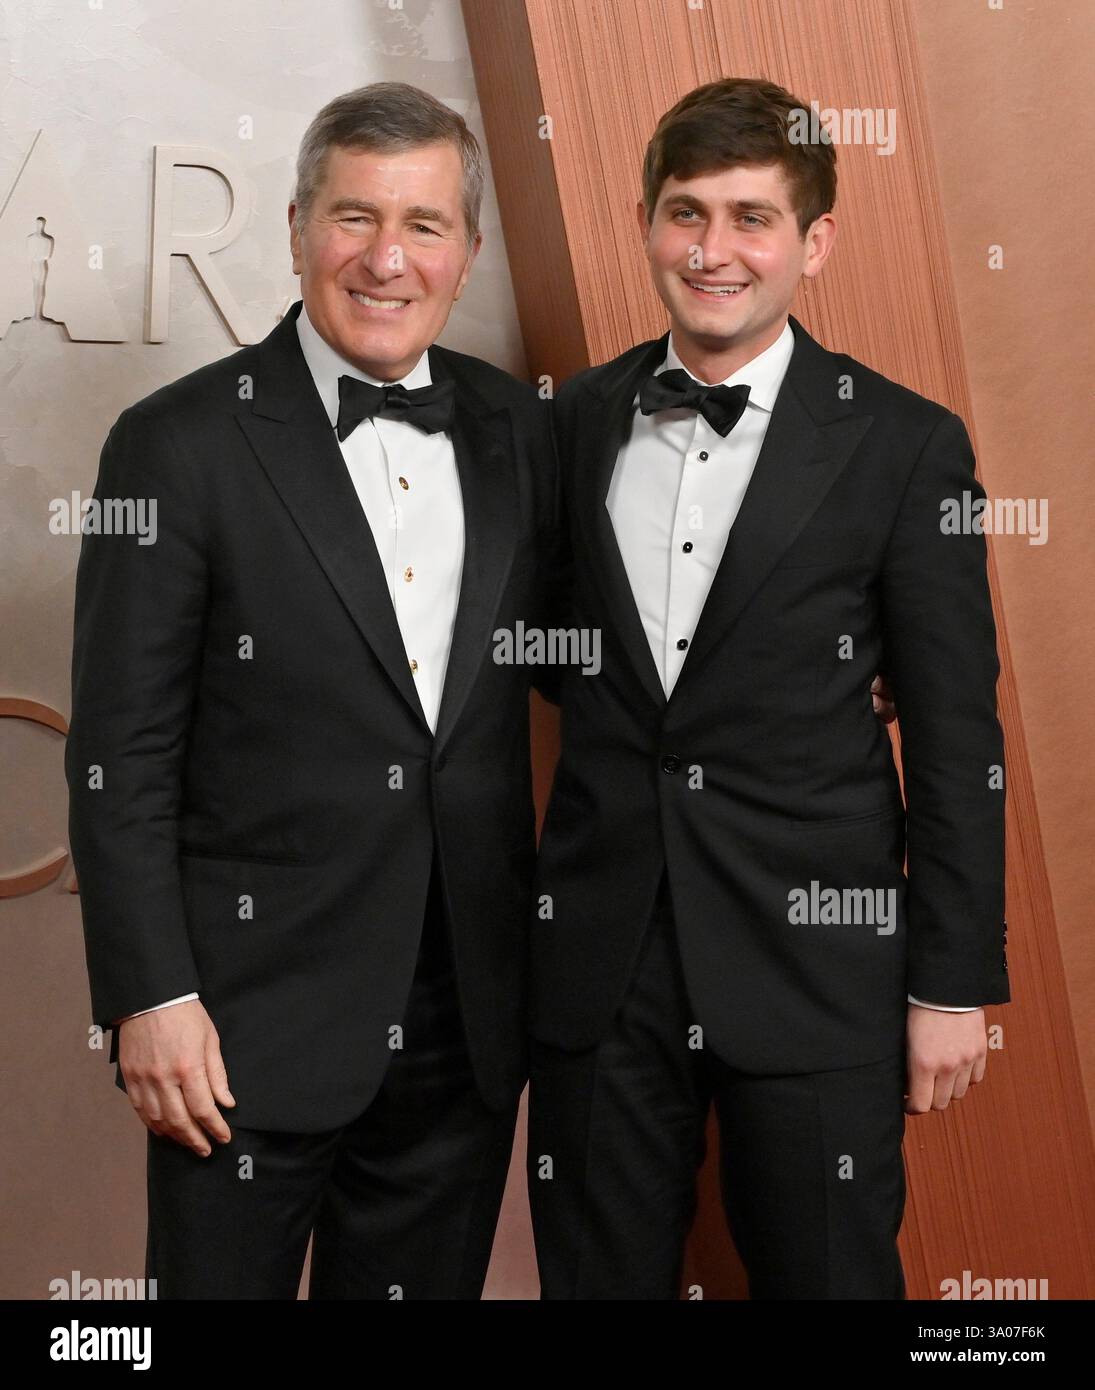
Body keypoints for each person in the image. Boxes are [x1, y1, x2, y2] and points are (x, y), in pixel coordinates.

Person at [65, 81, 558, 1300]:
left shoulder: (519, 430)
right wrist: (153, 996)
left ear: (470, 251)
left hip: (463, 1019)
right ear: (296, 229)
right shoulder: (174, 445)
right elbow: (119, 752)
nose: (387, 259)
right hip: (240, 1025)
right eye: (354, 218)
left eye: (425, 225)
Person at [528, 76, 1009, 1299]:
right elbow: (547, 653)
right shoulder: (573, 421)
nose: (714, 250)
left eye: (751, 217)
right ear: (648, 224)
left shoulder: (906, 444)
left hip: (818, 961)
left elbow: (955, 732)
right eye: (686, 214)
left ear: (814, 241)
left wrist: (953, 979)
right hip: (602, 959)